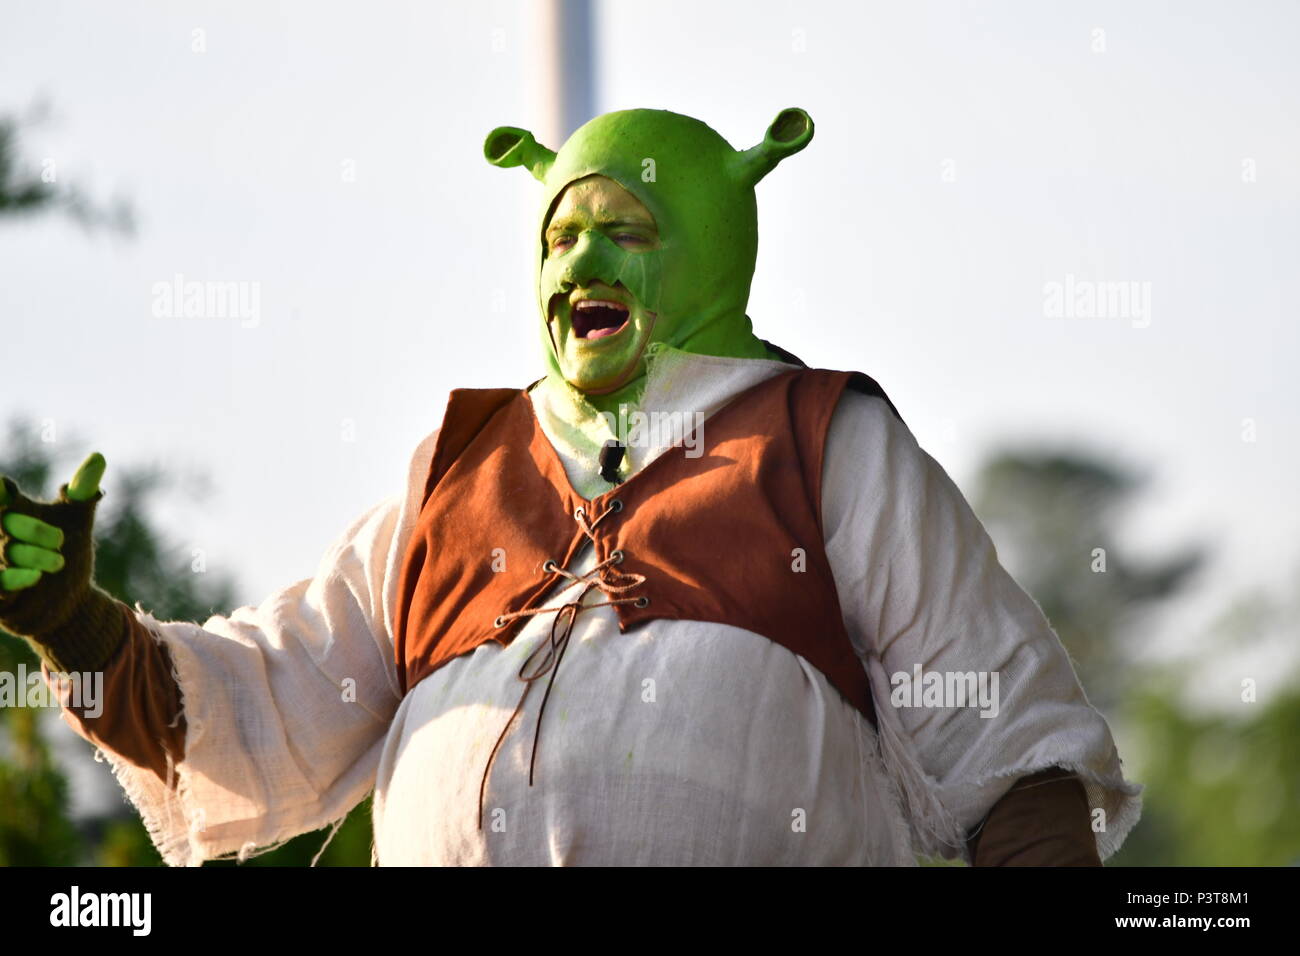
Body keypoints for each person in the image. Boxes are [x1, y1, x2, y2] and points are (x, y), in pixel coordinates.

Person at [0, 107, 1141, 866]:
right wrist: (67, 621)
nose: (581, 265)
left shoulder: (825, 440)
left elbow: (1017, 761)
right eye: (562, 239)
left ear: (710, 245)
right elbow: (251, 713)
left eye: (628, 232)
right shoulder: (458, 464)